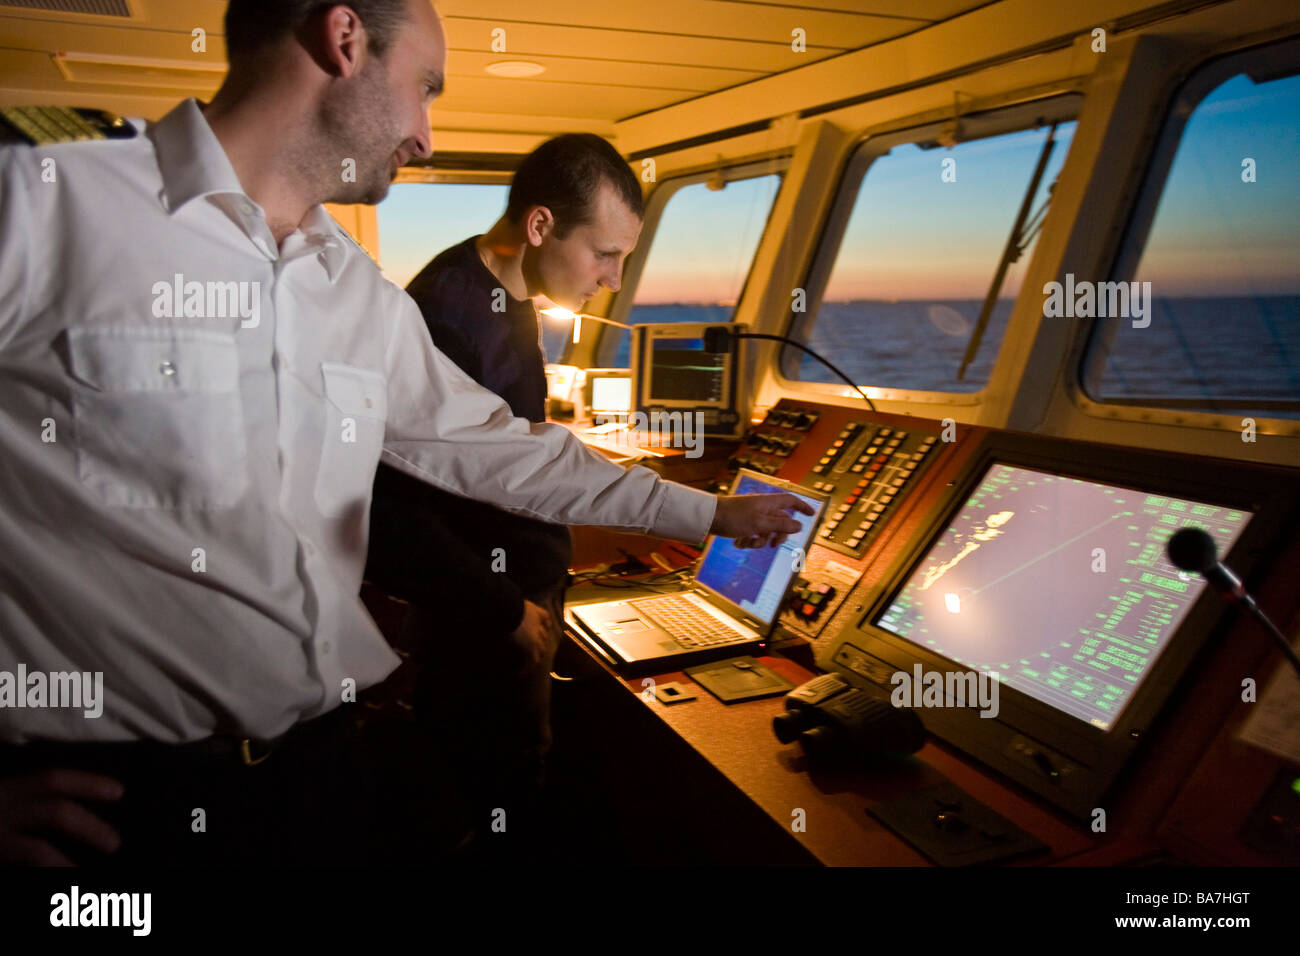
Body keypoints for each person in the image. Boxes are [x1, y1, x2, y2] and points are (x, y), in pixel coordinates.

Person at [0, 0, 810, 865]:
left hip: (315, 776)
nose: (425, 134)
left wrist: (704, 514)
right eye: (425, 88)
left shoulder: (358, 295)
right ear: (344, 40)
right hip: (117, 807)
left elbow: (497, 450)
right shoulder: (49, 206)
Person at [366, 133, 645, 857]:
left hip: (518, 595)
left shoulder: (513, 289)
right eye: (605, 254)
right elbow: (395, 507)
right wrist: (505, 611)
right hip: (485, 616)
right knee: (495, 798)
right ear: (542, 226)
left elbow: (511, 451)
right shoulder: (445, 314)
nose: (613, 279)